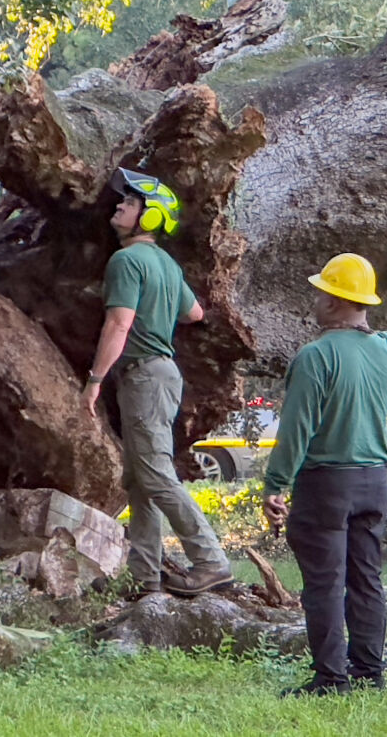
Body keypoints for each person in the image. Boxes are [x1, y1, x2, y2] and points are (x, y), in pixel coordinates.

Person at [262, 253, 387, 696]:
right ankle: (368, 672)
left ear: (338, 302)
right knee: (366, 578)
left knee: (324, 582)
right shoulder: (383, 349)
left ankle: (330, 679)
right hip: (374, 483)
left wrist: (276, 485)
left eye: (322, 292)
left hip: (326, 484)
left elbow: (297, 428)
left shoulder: (315, 356)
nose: (316, 299)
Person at [83, 167, 233, 597]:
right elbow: (195, 314)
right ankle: (143, 577)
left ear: (150, 218)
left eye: (129, 203)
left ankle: (210, 561)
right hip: (165, 376)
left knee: (155, 474)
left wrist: (94, 380)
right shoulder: (164, 263)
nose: (119, 205)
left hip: (144, 376)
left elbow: (119, 322)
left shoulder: (127, 260)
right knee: (140, 478)